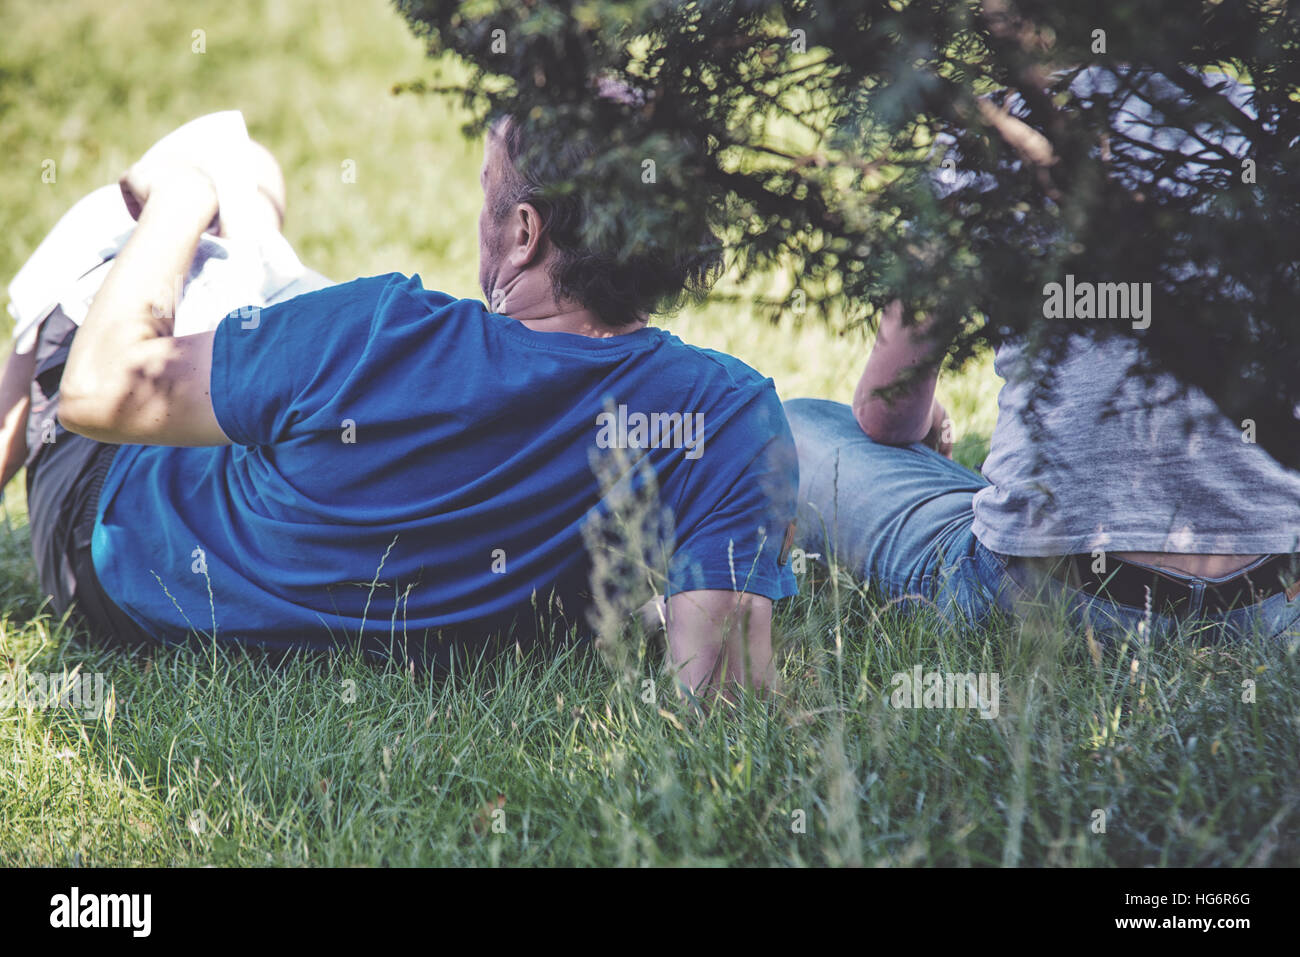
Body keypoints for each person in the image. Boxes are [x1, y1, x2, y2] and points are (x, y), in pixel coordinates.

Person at [1, 115, 799, 698]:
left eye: (487, 190)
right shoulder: (727, 415)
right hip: (299, 407)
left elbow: (98, 391)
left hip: (110, 533)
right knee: (255, 195)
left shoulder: (374, 335)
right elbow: (722, 692)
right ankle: (241, 234)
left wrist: (180, 198)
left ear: (524, 233)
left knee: (189, 183)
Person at [785, 68, 1300, 644]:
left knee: (798, 424)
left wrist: (926, 418)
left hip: (1052, 597)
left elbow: (885, 413)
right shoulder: (1279, 134)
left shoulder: (997, 132)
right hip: (1269, 604)